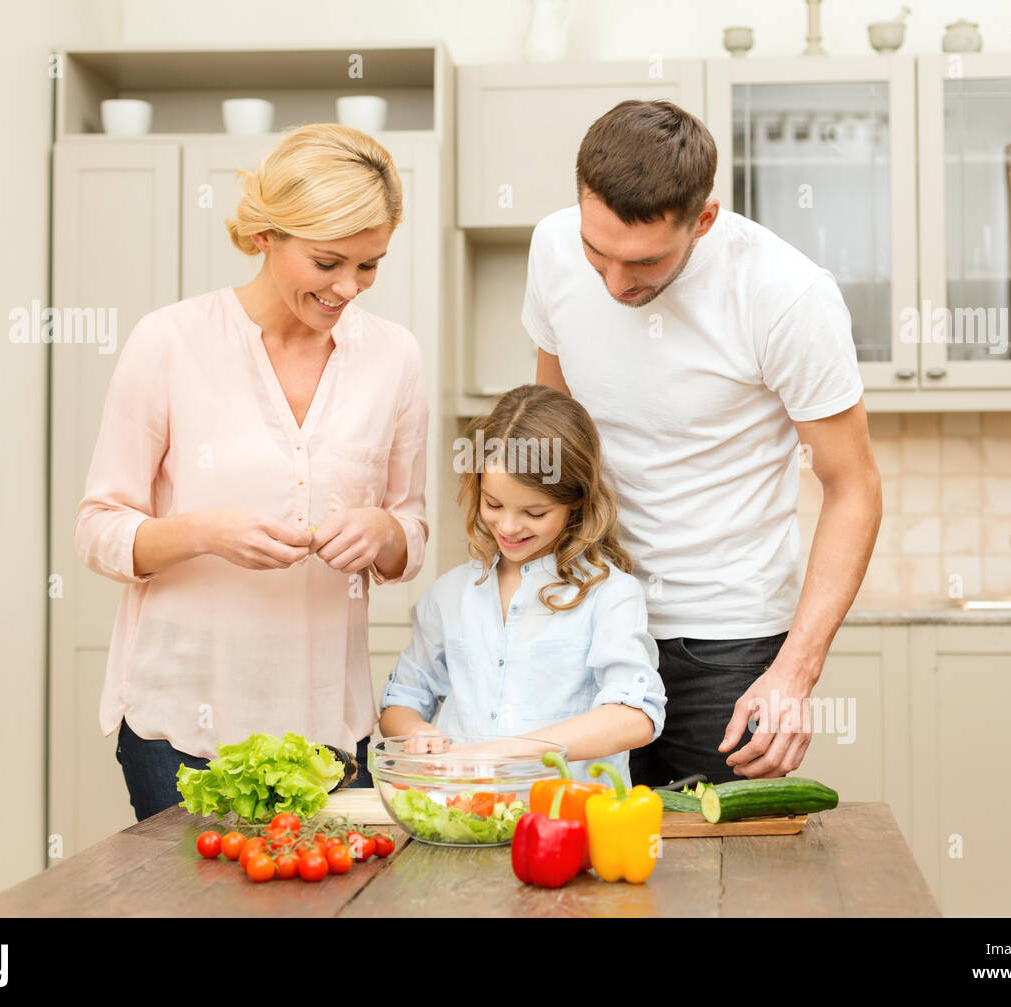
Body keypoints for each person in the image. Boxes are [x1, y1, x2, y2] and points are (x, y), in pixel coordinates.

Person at [75, 123, 429, 820]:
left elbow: (410, 530)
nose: (348, 288)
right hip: (179, 723)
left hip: (329, 726)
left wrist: (382, 530)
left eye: (370, 265)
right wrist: (206, 532)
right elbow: (98, 529)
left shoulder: (395, 357)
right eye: (327, 262)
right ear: (266, 235)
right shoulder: (170, 341)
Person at [523, 100, 882, 786]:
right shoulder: (551, 246)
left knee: (721, 882)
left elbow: (854, 488)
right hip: (591, 616)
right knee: (582, 868)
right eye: (597, 254)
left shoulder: (787, 295)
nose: (617, 283)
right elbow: (555, 433)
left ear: (705, 219)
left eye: (645, 262)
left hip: (728, 642)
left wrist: (794, 672)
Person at [377, 384, 667, 786]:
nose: (509, 527)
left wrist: (507, 751)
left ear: (576, 501)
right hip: (464, 815)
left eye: (534, 512)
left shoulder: (610, 594)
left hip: (568, 819)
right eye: (493, 505)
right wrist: (418, 733)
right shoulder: (451, 593)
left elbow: (635, 715)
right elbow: (401, 701)